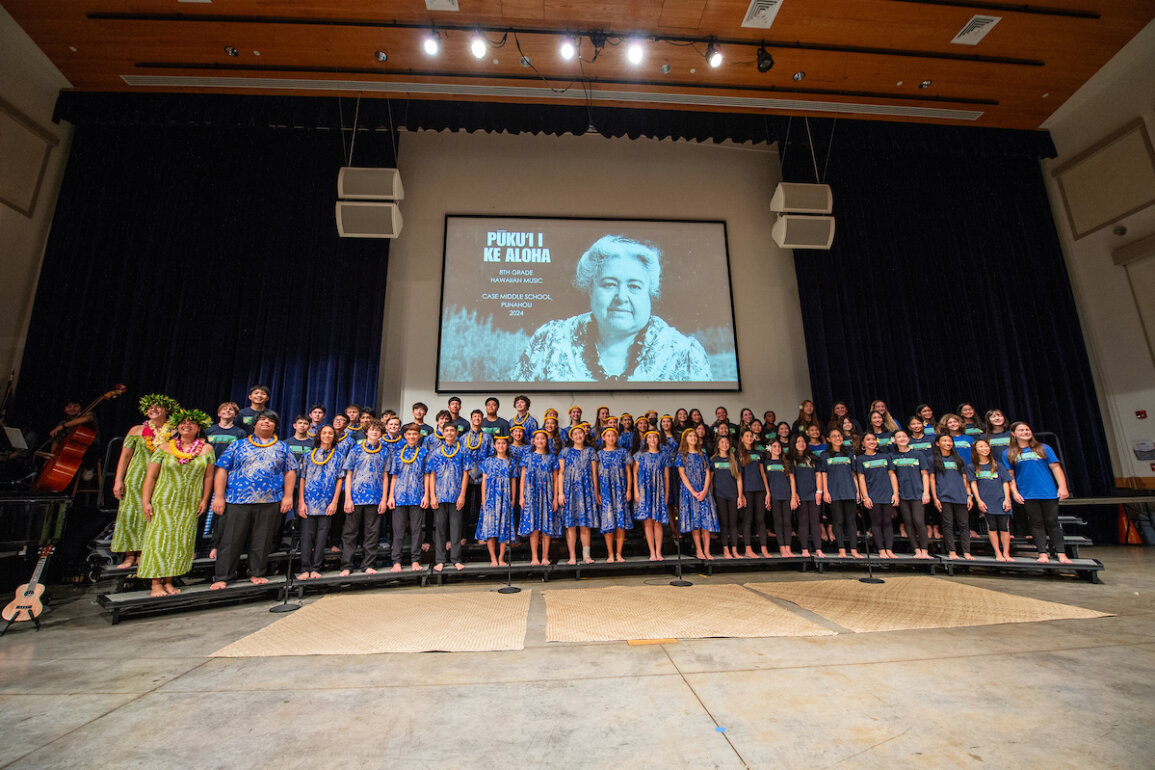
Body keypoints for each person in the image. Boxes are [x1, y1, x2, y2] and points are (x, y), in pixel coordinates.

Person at [512, 235, 712, 382]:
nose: (621, 297)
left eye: (634, 286)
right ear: (590, 289)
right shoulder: (550, 341)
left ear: (649, 294)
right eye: (609, 284)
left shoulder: (684, 353)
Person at [210, 412, 297, 589]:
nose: (266, 422)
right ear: (255, 425)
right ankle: (223, 576)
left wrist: (288, 496)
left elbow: (290, 472)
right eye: (263, 420)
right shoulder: (238, 445)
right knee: (230, 539)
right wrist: (219, 496)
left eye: (271, 421)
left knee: (262, 540)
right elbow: (221, 470)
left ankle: (256, 573)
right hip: (237, 500)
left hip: (269, 501)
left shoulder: (282, 447)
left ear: (275, 427)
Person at [138, 409, 214, 597]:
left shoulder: (207, 449)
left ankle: (169, 581)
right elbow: (151, 476)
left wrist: (205, 499)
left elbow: (209, 477)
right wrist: (146, 501)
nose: (186, 426)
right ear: (177, 426)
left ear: (198, 428)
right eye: (183, 423)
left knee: (180, 541)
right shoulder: (164, 448)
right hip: (164, 501)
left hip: (189, 503)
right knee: (159, 540)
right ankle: (155, 583)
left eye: (191, 423)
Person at [112, 393, 180, 569]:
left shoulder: (174, 432)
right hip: (136, 477)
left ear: (167, 410)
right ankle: (129, 555)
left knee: (152, 515)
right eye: (150, 408)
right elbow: (125, 456)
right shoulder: (136, 430)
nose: (153, 410)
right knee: (131, 514)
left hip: (161, 478)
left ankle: (144, 552)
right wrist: (118, 480)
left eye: (158, 407)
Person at [1003, 421, 1072, 564]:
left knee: (1052, 522)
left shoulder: (1043, 448)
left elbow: (1056, 468)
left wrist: (1062, 487)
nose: (1025, 432)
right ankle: (1042, 553)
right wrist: (1014, 492)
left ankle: (1061, 553)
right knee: (1036, 523)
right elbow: (1010, 476)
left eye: (1027, 429)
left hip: (1048, 492)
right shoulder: (1008, 453)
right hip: (1027, 493)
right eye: (1021, 430)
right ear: (1013, 434)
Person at [339, 419, 389, 576]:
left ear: (381, 433)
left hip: (375, 497)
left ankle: (368, 564)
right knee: (350, 532)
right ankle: (347, 565)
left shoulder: (385, 451)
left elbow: (385, 476)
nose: (374, 432)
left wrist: (384, 499)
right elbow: (349, 474)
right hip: (355, 497)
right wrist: (348, 498)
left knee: (372, 532)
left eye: (377, 430)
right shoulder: (355, 450)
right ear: (366, 432)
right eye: (372, 430)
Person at [297, 425, 343, 579]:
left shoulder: (339, 457)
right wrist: (301, 501)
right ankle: (304, 568)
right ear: (319, 436)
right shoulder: (308, 456)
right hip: (309, 502)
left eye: (330, 433)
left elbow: (339, 480)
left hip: (327, 502)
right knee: (307, 536)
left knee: (322, 536)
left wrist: (334, 502)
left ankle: (316, 567)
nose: (328, 435)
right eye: (324, 433)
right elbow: (302, 478)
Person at [424, 422, 469, 572]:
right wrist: (432, 496)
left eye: (452, 430)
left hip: (456, 496)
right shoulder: (436, 452)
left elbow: (465, 474)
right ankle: (440, 560)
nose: (449, 433)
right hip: (440, 496)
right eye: (447, 430)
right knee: (441, 529)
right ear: (443, 433)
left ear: (456, 433)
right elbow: (432, 475)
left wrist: (462, 495)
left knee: (456, 529)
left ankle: (456, 559)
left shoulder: (462, 451)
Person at [387, 424, 429, 572]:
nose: (412, 436)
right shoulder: (398, 454)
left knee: (416, 530)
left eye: (415, 434)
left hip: (417, 496)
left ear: (419, 436)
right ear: (405, 436)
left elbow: (427, 475)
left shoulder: (424, 453)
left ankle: (415, 560)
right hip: (399, 496)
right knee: (398, 530)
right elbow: (394, 476)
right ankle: (396, 561)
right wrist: (391, 496)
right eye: (409, 434)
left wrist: (426, 495)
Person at [674, 428, 719, 560]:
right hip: (689, 492)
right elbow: (682, 475)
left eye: (694, 436)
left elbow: (707, 474)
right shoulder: (681, 455)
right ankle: (699, 550)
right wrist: (693, 491)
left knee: (705, 522)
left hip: (704, 491)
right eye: (690, 436)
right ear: (685, 439)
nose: (693, 438)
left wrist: (705, 490)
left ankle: (707, 550)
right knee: (695, 522)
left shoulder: (702, 454)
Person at [558, 423, 599, 565]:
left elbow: (594, 473)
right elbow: (561, 473)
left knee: (585, 524)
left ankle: (586, 555)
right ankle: (572, 556)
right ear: (571, 436)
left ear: (585, 435)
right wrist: (560, 493)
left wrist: (596, 491)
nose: (578, 436)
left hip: (586, 490)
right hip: (570, 491)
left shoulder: (591, 451)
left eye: (580, 433)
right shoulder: (565, 452)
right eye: (575, 434)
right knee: (571, 525)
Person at [929, 433, 974, 560]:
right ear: (938, 443)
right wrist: (935, 498)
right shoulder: (933, 460)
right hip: (944, 497)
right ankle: (952, 551)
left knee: (964, 525)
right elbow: (932, 479)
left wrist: (969, 495)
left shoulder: (959, 460)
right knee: (948, 524)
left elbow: (965, 478)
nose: (947, 443)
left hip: (960, 496)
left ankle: (966, 552)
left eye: (949, 441)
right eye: (944, 440)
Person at [519, 429, 560, 565]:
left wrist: (555, 498)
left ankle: (545, 557)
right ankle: (535, 557)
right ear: (533, 441)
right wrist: (521, 497)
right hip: (531, 495)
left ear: (546, 441)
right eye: (538, 439)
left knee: (546, 528)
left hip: (547, 495)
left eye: (543, 438)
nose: (540, 441)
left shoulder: (552, 458)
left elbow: (555, 479)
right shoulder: (528, 457)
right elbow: (523, 478)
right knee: (534, 528)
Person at [855, 434, 899, 559]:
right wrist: (865, 497)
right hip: (872, 495)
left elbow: (892, 475)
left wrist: (895, 493)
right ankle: (881, 550)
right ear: (863, 443)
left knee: (887, 522)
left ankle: (889, 550)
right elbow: (861, 479)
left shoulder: (885, 456)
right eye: (868, 439)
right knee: (876, 522)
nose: (872, 442)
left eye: (874, 439)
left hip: (887, 493)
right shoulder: (860, 459)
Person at [971, 438, 1013, 561]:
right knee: (992, 527)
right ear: (975, 450)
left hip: (1000, 500)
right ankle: (998, 553)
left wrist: (1007, 499)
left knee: (1004, 528)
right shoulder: (973, 467)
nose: (984, 449)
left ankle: (1006, 553)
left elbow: (1006, 482)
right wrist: (979, 501)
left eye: (986, 446)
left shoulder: (998, 465)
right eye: (981, 447)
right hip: (986, 502)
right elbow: (973, 485)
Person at [891, 429, 931, 559]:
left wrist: (926, 492)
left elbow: (925, 474)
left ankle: (924, 550)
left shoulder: (918, 455)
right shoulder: (893, 457)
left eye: (904, 436)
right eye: (899, 437)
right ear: (894, 441)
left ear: (908, 439)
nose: (902, 439)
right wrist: (896, 494)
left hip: (918, 493)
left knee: (919, 521)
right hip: (903, 494)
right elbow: (893, 477)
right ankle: (916, 549)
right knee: (908, 522)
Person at [821, 428, 860, 559]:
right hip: (834, 492)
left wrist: (858, 491)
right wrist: (825, 492)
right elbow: (824, 475)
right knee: (838, 521)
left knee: (851, 521)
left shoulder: (849, 453)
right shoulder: (825, 455)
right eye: (834, 436)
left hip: (849, 491)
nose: (838, 438)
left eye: (839, 436)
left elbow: (854, 474)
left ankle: (854, 550)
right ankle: (842, 549)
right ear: (828, 439)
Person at [478, 435, 516, 566]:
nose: (501, 446)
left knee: (503, 528)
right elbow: (483, 481)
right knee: (491, 529)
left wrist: (512, 499)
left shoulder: (511, 462)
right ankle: (493, 558)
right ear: (494, 446)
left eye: (503, 443)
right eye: (498, 443)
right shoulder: (488, 461)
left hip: (505, 498)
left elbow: (513, 481)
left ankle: (501, 558)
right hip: (490, 499)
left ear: (507, 446)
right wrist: (483, 499)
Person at [596, 427, 632, 562]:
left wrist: (628, 490)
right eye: (608, 435)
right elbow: (595, 474)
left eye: (613, 436)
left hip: (620, 490)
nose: (611, 438)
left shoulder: (622, 452)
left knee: (620, 523)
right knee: (608, 523)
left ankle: (619, 553)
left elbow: (628, 472)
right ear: (604, 438)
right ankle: (610, 554)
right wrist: (597, 492)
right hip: (606, 491)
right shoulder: (599, 454)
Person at [633, 429, 669, 561]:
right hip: (645, 490)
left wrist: (666, 494)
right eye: (650, 437)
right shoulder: (640, 455)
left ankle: (659, 552)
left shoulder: (663, 456)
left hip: (658, 491)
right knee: (648, 522)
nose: (653, 440)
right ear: (646, 440)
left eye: (655, 437)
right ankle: (652, 552)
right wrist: (636, 490)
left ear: (658, 440)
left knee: (658, 522)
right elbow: (635, 473)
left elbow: (666, 477)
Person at [788, 434, 824, 557]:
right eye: (798, 441)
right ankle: (804, 549)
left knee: (815, 521)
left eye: (803, 441)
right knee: (803, 522)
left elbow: (818, 475)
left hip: (813, 494)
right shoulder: (791, 460)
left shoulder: (812, 458)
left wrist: (819, 491)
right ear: (794, 444)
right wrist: (794, 494)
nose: (801, 443)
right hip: (800, 495)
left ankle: (818, 548)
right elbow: (792, 478)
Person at [736, 429, 770, 559]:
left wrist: (767, 491)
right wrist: (741, 494)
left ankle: (764, 548)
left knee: (761, 520)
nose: (750, 438)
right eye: (747, 436)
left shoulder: (759, 453)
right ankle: (748, 549)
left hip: (760, 489)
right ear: (742, 438)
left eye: (751, 436)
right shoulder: (738, 453)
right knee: (747, 520)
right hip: (746, 491)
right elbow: (738, 476)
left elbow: (763, 473)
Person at [710, 435, 744, 560]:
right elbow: (711, 481)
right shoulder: (713, 460)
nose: (724, 444)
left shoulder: (734, 460)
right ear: (718, 445)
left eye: (726, 442)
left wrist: (740, 496)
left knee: (733, 523)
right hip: (720, 495)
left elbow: (739, 479)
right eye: (722, 442)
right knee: (724, 523)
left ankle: (734, 550)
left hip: (733, 495)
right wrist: (712, 497)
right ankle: (726, 550)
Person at [763, 440, 797, 557]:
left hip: (786, 495)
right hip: (774, 496)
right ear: (770, 448)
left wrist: (793, 497)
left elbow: (792, 479)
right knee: (778, 522)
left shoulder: (786, 462)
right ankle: (782, 548)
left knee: (787, 522)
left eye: (779, 446)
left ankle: (788, 547)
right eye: (774, 446)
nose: (777, 448)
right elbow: (765, 480)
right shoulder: (766, 463)